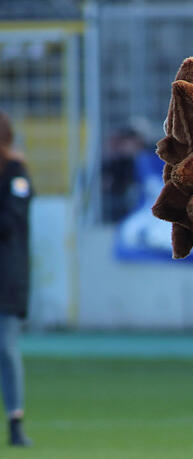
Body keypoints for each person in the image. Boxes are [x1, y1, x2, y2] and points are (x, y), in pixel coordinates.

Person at [0, 110, 33, 447]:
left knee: (6, 348)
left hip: (7, 276)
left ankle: (15, 422)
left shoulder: (16, 173)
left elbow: (12, 221)